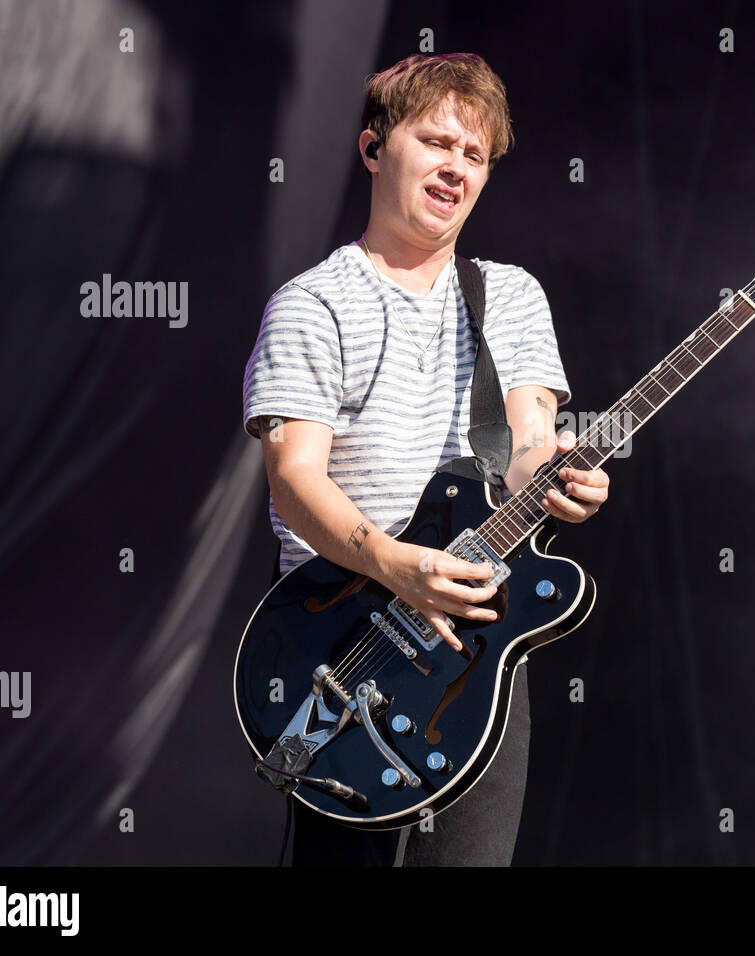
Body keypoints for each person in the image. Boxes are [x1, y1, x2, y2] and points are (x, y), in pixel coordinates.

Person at [241, 52, 610, 866]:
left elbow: (526, 448)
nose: (456, 167)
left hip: (474, 652)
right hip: (343, 646)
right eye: (436, 141)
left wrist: (562, 474)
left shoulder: (510, 295)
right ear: (375, 149)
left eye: (474, 155)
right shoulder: (313, 303)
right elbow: (294, 478)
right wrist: (397, 565)